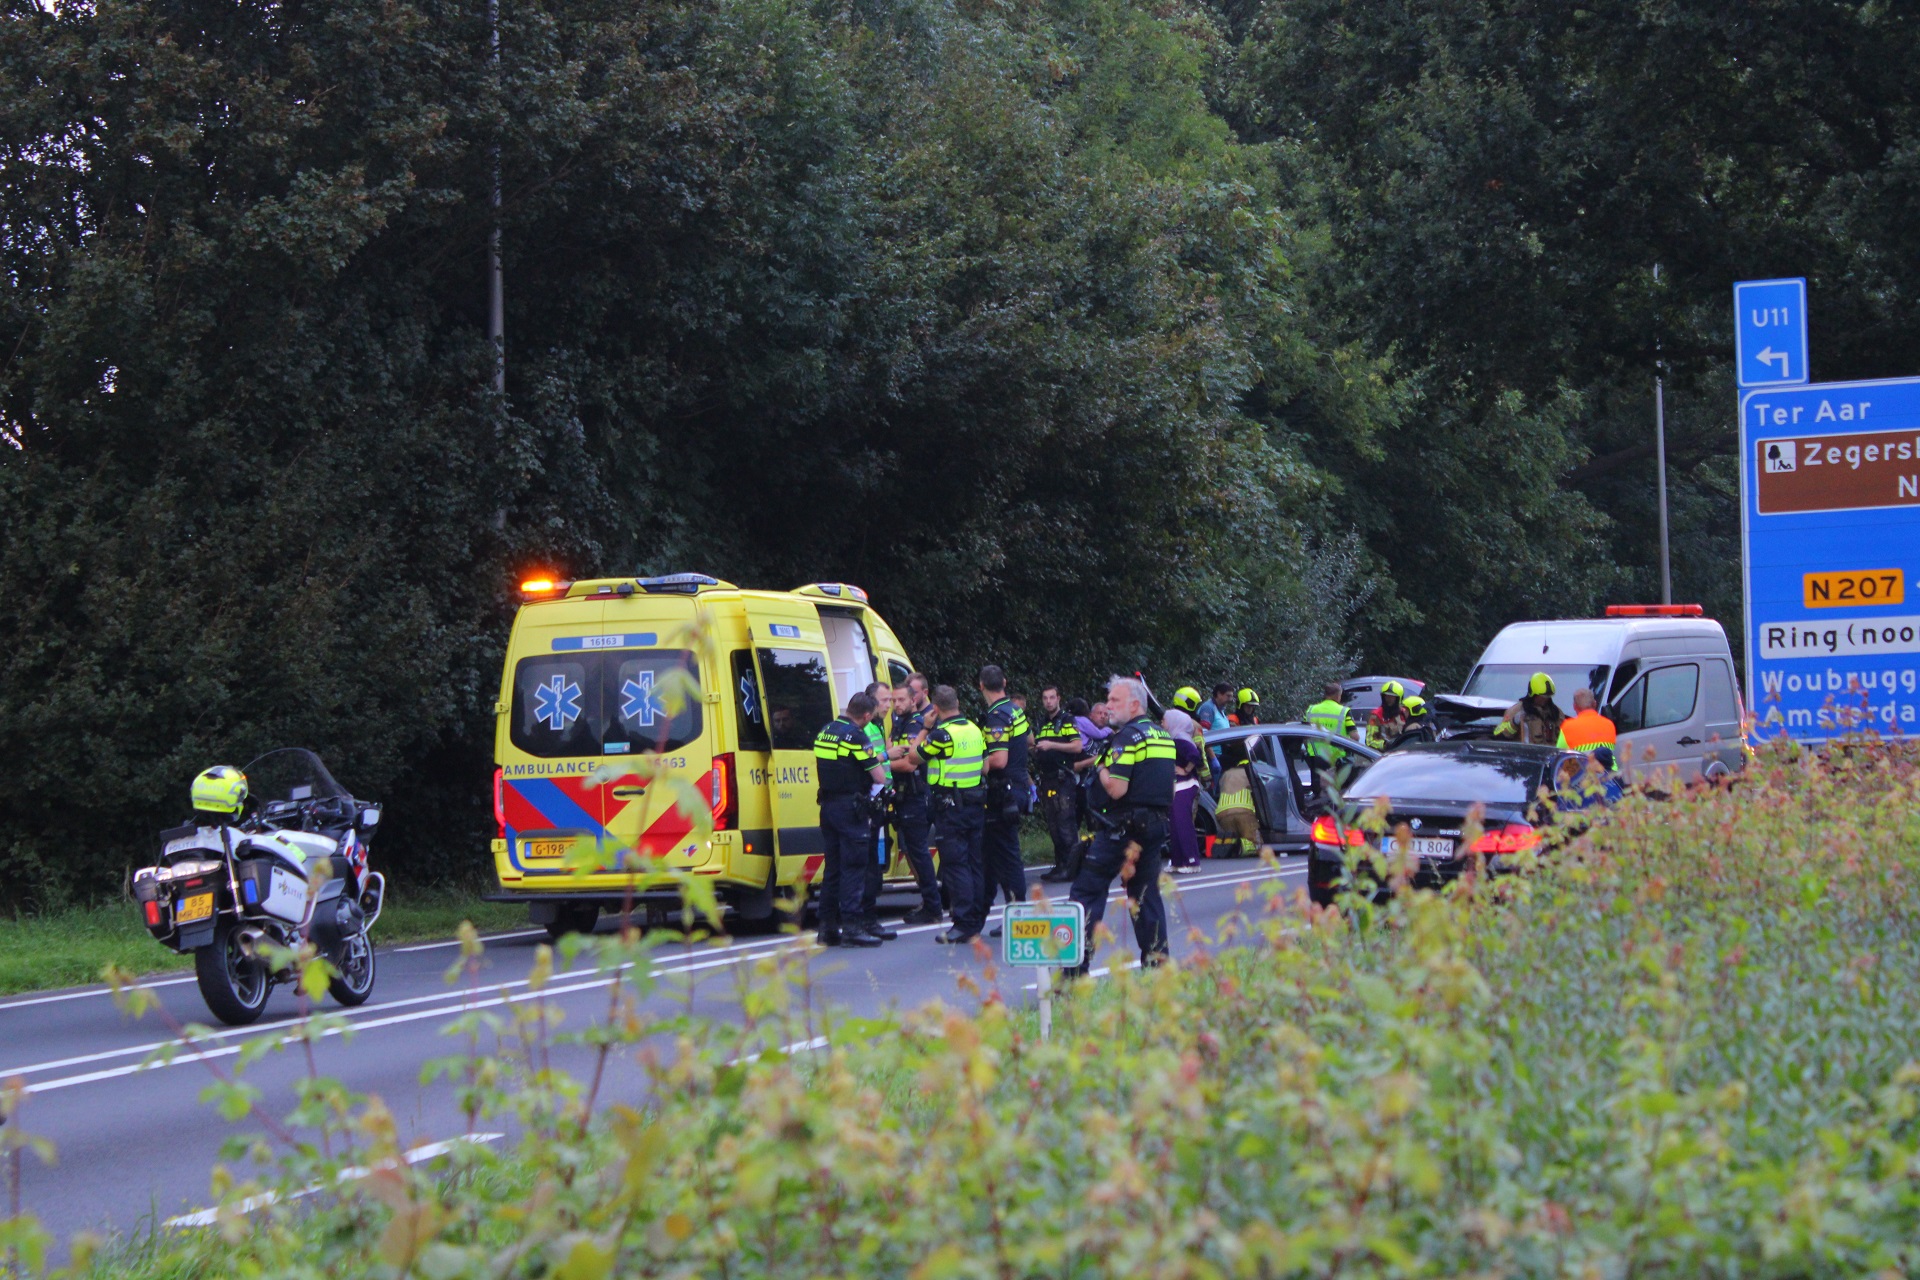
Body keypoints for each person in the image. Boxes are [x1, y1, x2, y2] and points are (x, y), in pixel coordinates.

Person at [1069, 676, 1175, 975]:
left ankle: (1074, 972)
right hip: (1153, 829)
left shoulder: (1127, 737)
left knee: (1087, 891)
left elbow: (1116, 789)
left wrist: (1101, 768)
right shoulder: (1161, 735)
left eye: (1115, 700)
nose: (1108, 705)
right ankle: (1158, 967)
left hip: (1122, 829)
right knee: (1144, 895)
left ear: (1134, 704)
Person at [910, 685, 989, 944]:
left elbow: (913, 757)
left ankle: (963, 924)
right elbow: (985, 767)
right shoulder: (975, 729)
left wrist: (924, 728)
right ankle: (975, 921)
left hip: (950, 807)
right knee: (975, 862)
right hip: (974, 805)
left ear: (936, 707)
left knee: (956, 866)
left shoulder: (941, 735)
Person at [811, 692, 889, 947]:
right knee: (854, 868)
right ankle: (852, 927)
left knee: (832, 869)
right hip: (851, 809)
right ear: (866, 716)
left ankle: (827, 929)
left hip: (828, 807)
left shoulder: (826, 731)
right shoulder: (857, 737)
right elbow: (878, 776)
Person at [978, 665, 1030, 933]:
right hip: (1017, 787)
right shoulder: (1015, 710)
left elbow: (998, 759)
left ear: (981, 686)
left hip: (1004, 791)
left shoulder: (997, 716)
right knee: (991, 853)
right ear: (1005, 682)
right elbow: (1028, 740)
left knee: (1007, 855)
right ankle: (979, 915)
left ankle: (1018, 917)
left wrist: (976, 762)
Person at [887, 683, 944, 925]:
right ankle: (929, 903)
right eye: (894, 700)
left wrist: (881, 763)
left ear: (913, 701)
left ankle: (933, 907)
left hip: (916, 796)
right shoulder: (898, 722)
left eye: (901, 700)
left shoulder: (916, 724)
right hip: (903, 796)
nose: (896, 704)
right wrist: (890, 756)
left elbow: (910, 762)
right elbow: (889, 748)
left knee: (919, 853)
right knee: (911, 851)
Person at [1032, 685, 1083, 881]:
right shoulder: (1043, 722)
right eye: (1045, 698)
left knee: (1065, 823)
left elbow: (1077, 746)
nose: (1048, 702)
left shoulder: (1067, 720)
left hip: (1063, 779)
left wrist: (1051, 745)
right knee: (1053, 824)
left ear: (1058, 698)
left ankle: (1071, 868)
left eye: (1052, 697)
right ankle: (1060, 865)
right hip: (1048, 778)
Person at [1164, 707, 1204, 872]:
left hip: (1185, 785)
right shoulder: (1177, 737)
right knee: (1175, 825)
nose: (1162, 723)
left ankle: (1192, 861)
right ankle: (1178, 861)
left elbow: (1196, 756)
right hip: (1177, 786)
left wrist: (1186, 769)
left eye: (1164, 720)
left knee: (1183, 823)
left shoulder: (1181, 739)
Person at [1212, 740, 1259, 857]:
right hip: (1244, 813)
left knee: (1232, 837)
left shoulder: (1226, 774)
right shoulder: (1252, 773)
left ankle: (1231, 846)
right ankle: (1243, 847)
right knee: (1255, 845)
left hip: (1222, 815)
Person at [1494, 673, 1566, 745]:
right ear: (1533, 694)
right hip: (1526, 755)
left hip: (1551, 755)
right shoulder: (1517, 711)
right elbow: (1499, 735)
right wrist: (1514, 723)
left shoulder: (1556, 713)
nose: (1545, 699)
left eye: (1548, 696)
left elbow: (1565, 736)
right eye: (1542, 696)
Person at [1556, 688, 1617, 761]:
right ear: (1594, 704)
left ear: (1574, 706)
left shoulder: (1568, 727)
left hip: (1585, 770)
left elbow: (1559, 755)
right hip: (1609, 771)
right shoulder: (1609, 724)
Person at [1305, 682, 1357, 760]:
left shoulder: (1311, 710)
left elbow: (1304, 735)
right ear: (1337, 695)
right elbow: (1355, 737)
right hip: (1338, 759)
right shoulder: (1343, 711)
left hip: (1315, 757)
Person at [1365, 680, 1411, 750]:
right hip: (1383, 755)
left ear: (1399, 698)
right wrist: (1386, 745)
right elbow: (1369, 741)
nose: (1388, 699)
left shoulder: (1405, 714)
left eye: (1392, 697)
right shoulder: (1375, 715)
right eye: (1386, 696)